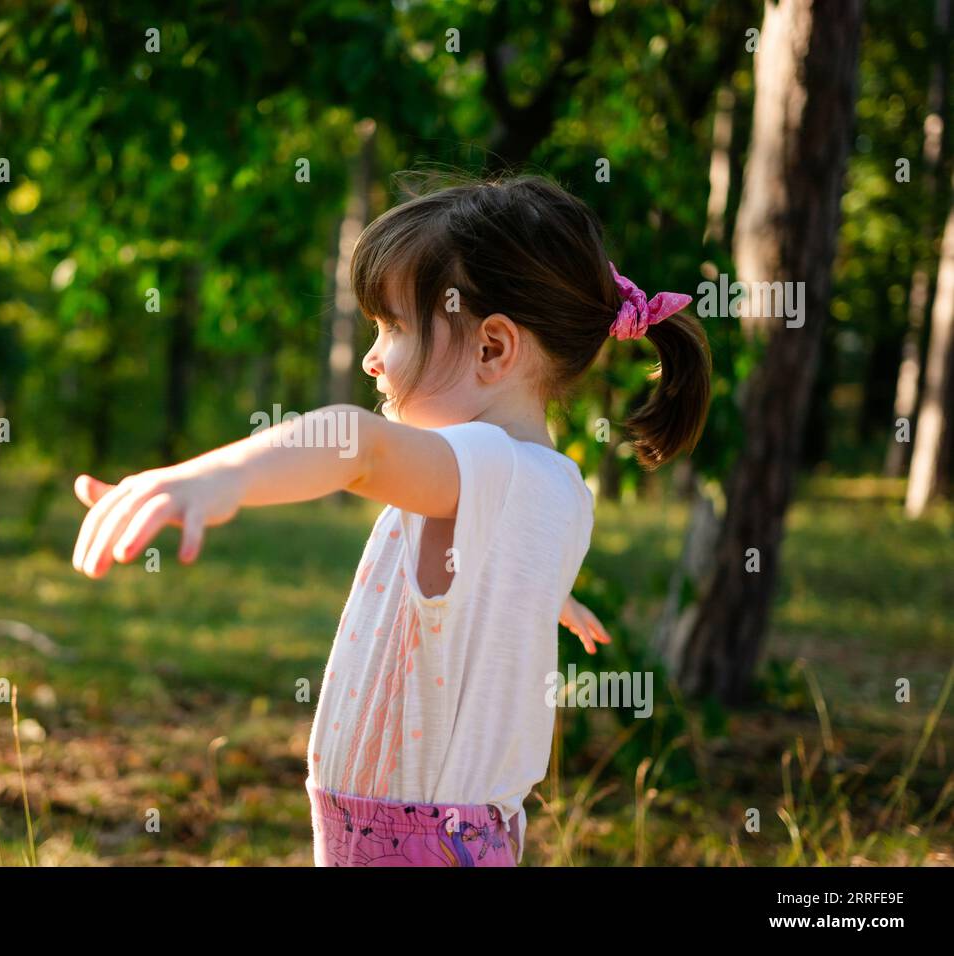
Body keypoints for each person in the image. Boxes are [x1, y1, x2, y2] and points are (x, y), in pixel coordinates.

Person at [70, 172, 711, 866]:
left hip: (413, 845)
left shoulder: (488, 465)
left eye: (394, 328)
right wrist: (544, 597)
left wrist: (216, 477)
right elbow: (498, 565)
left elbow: (357, 446)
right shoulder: (549, 484)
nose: (373, 358)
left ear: (493, 349)